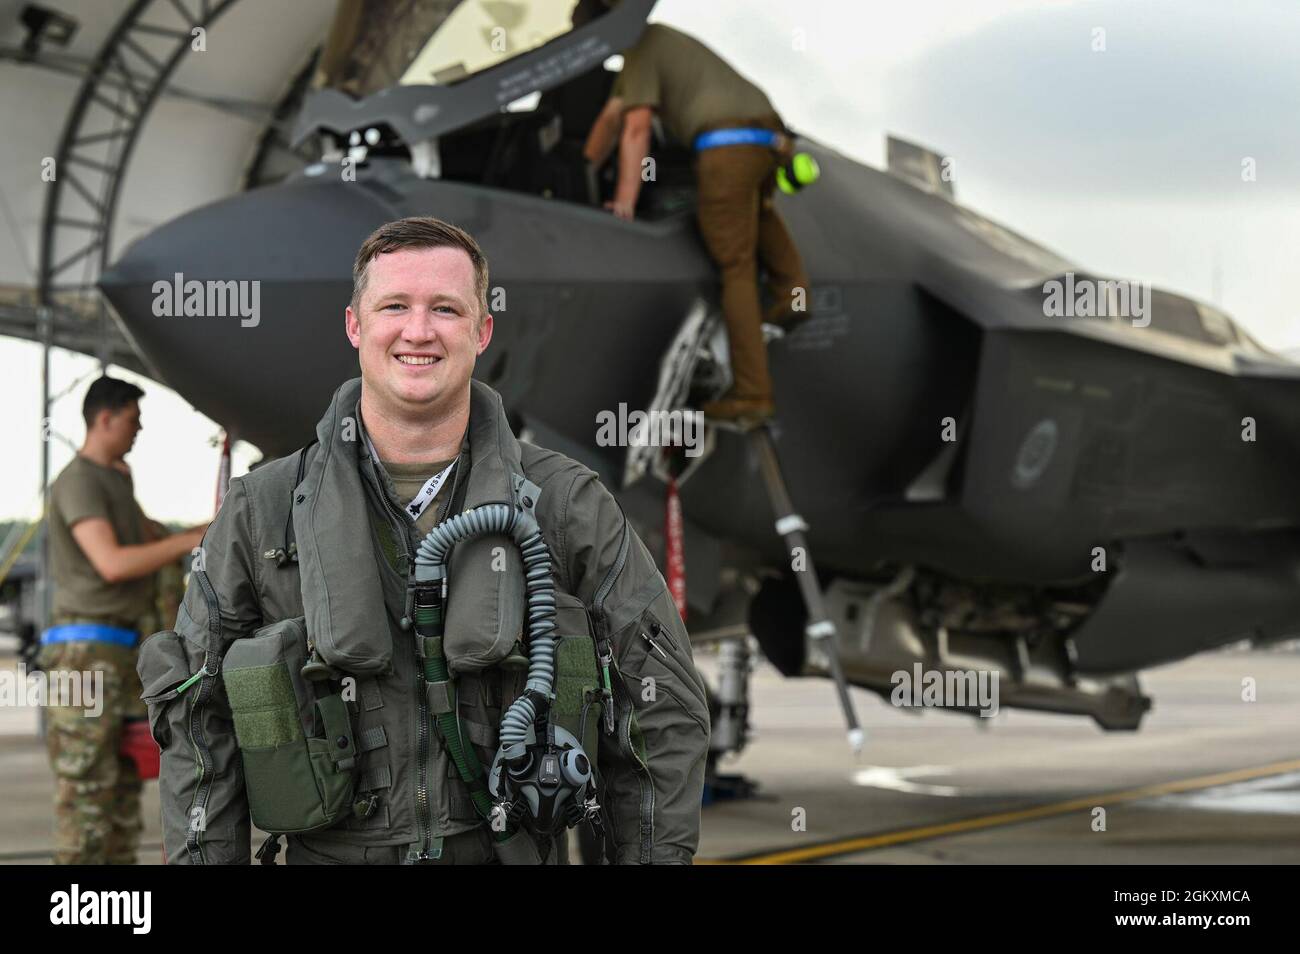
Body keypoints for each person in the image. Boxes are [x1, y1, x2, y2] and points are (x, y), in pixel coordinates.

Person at [140, 216, 711, 865]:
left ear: (482, 329)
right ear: (356, 324)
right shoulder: (263, 511)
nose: (418, 330)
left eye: (445, 308)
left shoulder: (567, 505)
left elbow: (659, 707)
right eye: (394, 307)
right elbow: (195, 721)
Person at [583, 18, 810, 426]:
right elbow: (613, 116)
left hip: (726, 148)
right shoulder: (660, 41)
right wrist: (584, 165)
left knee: (734, 266)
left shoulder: (638, 48)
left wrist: (623, 205)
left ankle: (752, 397)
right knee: (758, 210)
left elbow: (635, 129)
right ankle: (793, 296)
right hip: (769, 136)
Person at [41, 376, 208, 864]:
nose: (138, 431)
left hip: (117, 657)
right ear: (105, 418)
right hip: (84, 658)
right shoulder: (80, 481)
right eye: (133, 420)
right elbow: (112, 562)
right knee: (87, 793)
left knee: (118, 795)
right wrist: (190, 538)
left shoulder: (113, 479)